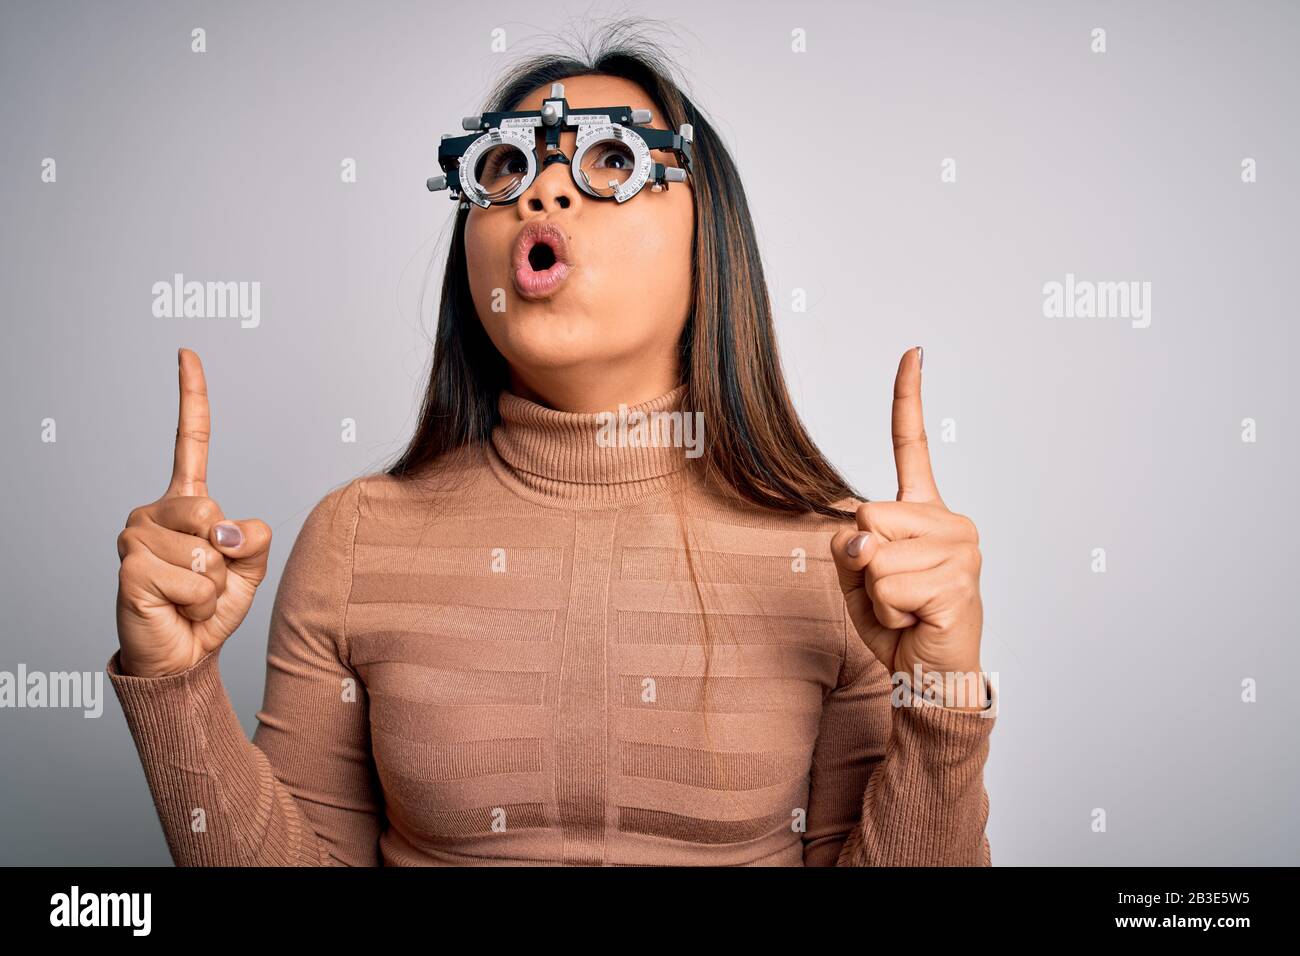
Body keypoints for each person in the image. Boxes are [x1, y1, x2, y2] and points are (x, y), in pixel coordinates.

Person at [110, 35, 995, 866]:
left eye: (613, 158)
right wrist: (176, 687)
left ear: (711, 232)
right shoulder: (353, 539)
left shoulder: (844, 560)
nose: (542, 193)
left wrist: (940, 701)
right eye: (507, 167)